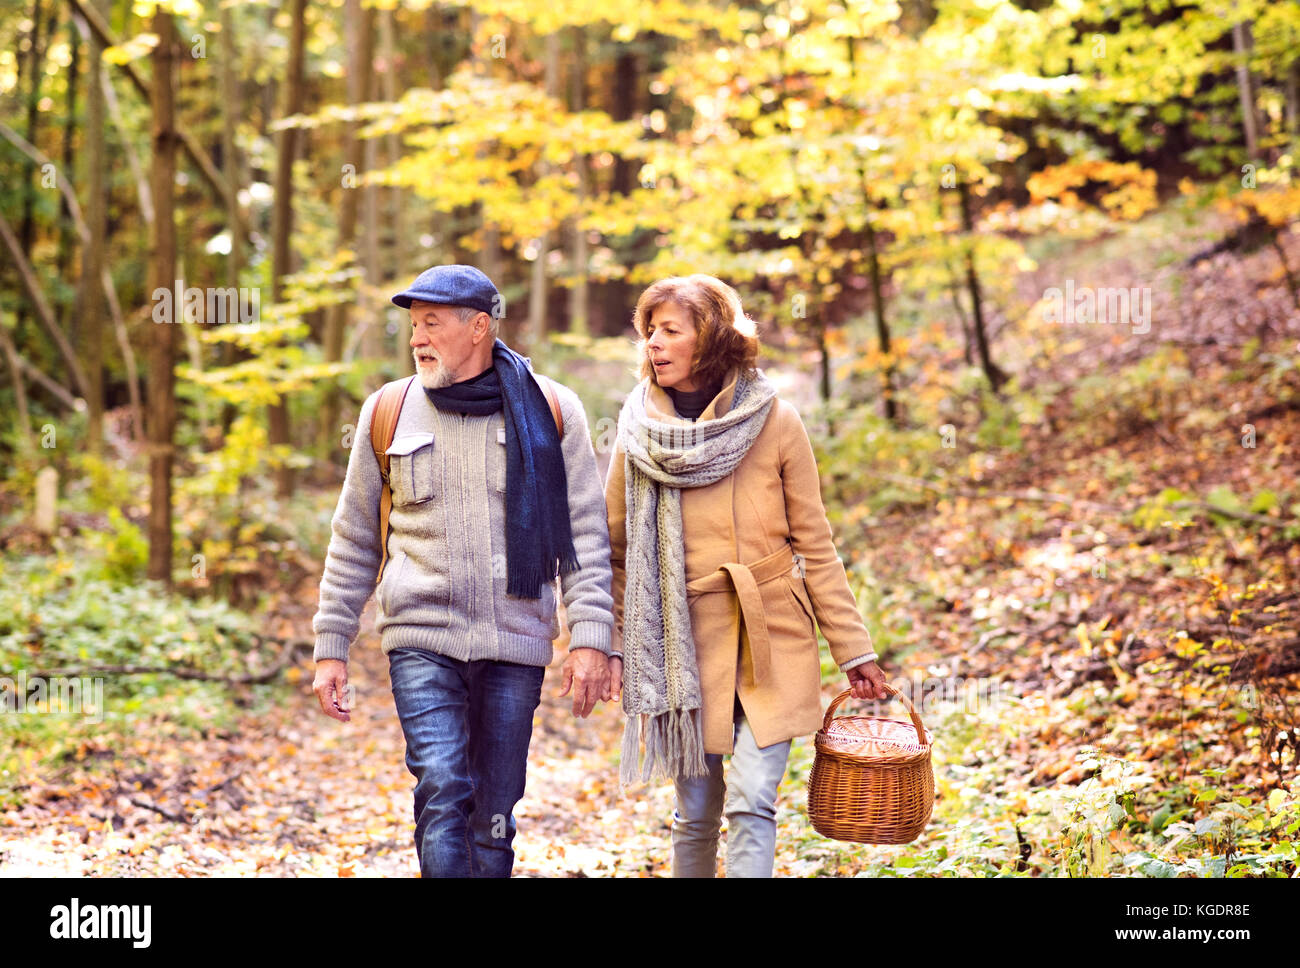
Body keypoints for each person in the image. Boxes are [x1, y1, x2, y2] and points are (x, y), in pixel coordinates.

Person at [310, 264, 615, 878]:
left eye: (431, 324)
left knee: (495, 812)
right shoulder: (388, 411)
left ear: (479, 326)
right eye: (413, 326)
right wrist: (331, 644)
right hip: (421, 636)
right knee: (444, 786)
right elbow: (355, 538)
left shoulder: (554, 411)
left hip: (517, 637)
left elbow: (584, 532)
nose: (417, 338)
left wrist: (590, 636)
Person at [605, 273, 890, 878]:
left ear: (709, 340)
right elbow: (616, 551)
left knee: (753, 802)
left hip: (773, 635)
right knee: (697, 812)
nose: (654, 344)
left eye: (670, 331)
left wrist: (854, 649)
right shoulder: (637, 436)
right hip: (680, 643)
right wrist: (607, 645)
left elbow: (816, 545)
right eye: (649, 332)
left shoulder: (776, 421)